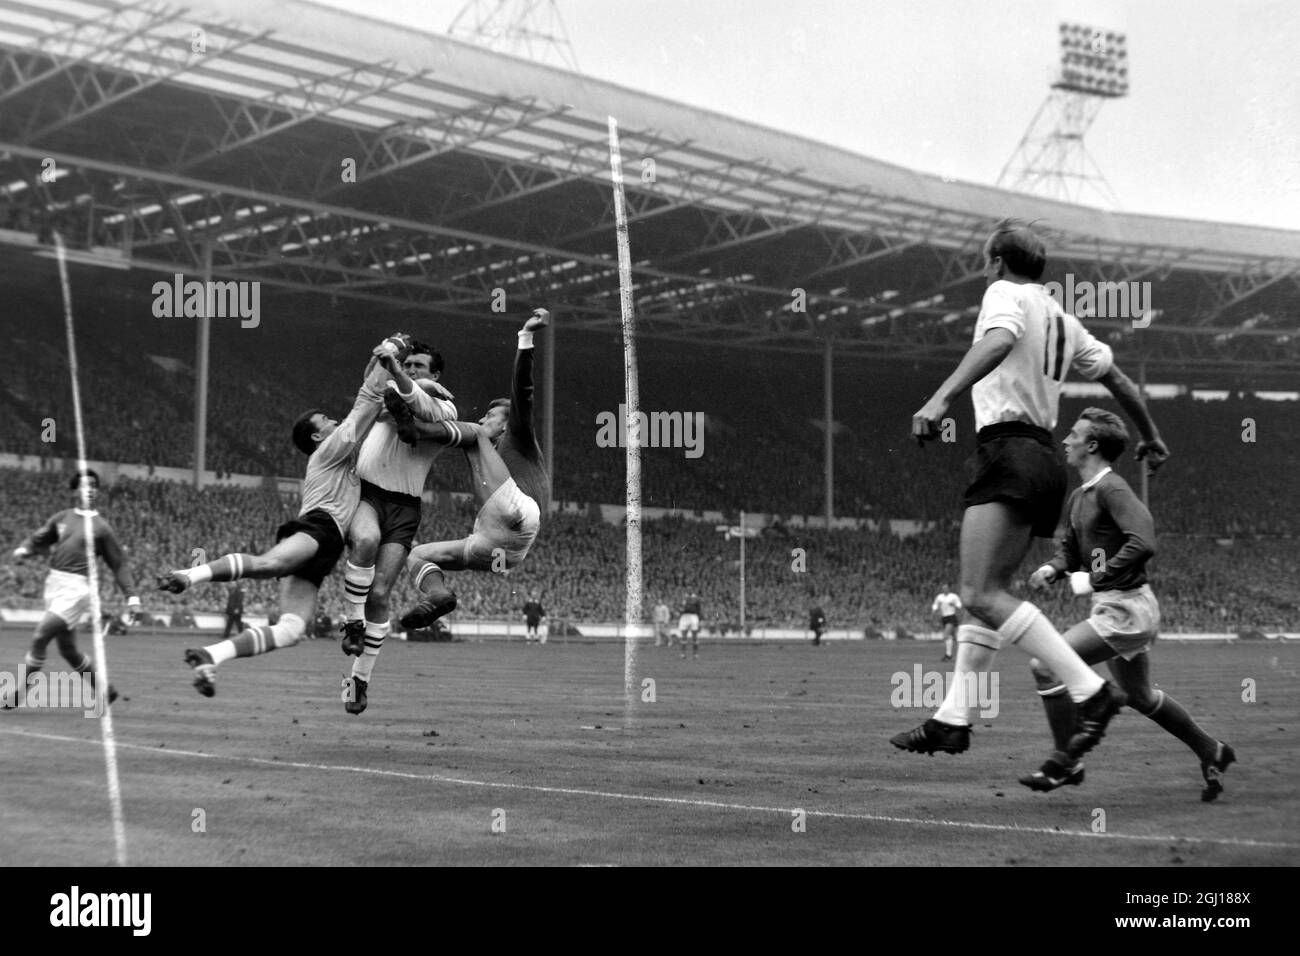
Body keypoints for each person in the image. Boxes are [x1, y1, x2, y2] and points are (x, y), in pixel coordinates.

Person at [891, 219, 1170, 758]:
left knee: (980, 594)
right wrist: (1152, 437)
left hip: (1009, 449)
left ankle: (1089, 692)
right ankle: (954, 718)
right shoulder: (1065, 321)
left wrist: (941, 397)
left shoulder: (1003, 294)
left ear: (997, 262)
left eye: (986, 259)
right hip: (1045, 457)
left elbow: (998, 340)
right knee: (984, 597)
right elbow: (1121, 382)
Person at [157, 339, 396, 698]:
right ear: (318, 436)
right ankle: (188, 575)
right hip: (320, 526)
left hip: (327, 545)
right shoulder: (329, 450)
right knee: (269, 564)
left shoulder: (339, 456)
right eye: (328, 420)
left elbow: (369, 397)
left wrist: (379, 363)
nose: (335, 421)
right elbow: (366, 402)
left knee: (289, 630)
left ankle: (211, 656)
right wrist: (391, 350)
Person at [1020, 408, 1235, 800]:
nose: (1066, 441)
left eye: (1073, 434)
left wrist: (1097, 577)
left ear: (1092, 445)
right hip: (1114, 604)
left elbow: (1144, 541)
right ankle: (1213, 750)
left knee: (1047, 665)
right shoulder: (1079, 496)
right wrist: (1053, 568)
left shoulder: (1112, 488)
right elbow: (1070, 550)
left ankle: (1066, 762)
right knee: (1140, 696)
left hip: (1127, 608)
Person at [397, 310, 551, 630]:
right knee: (417, 556)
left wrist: (526, 336)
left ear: (506, 421)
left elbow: (523, 391)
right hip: (502, 547)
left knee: (473, 436)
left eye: (490, 416)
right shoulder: (490, 459)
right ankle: (438, 596)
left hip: (517, 509)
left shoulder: (518, 435)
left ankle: (414, 429)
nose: (484, 420)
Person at [337, 335, 457, 715]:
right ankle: (352, 624)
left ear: (435, 374)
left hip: (405, 508)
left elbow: (422, 405)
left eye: (419, 366)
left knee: (380, 594)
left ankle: (358, 681)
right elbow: (373, 387)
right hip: (368, 493)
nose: (410, 369)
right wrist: (388, 364)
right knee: (366, 540)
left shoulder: (444, 407)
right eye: (408, 364)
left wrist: (409, 381)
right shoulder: (389, 395)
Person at [6, 470, 137, 708]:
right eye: (85, 485)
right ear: (76, 489)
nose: (90, 489)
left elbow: (118, 563)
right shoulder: (62, 517)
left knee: (40, 637)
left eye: (94, 485)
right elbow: (39, 539)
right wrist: (24, 549)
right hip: (54, 584)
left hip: (77, 589)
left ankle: (18, 694)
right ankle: (104, 690)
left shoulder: (102, 528)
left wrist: (132, 596)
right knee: (68, 649)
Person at [931, 586, 962, 661]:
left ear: (949, 589)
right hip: (944, 618)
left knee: (946, 635)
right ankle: (961, 655)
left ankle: (948, 655)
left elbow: (959, 605)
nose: (944, 589)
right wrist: (934, 609)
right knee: (954, 637)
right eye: (943, 588)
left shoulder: (953, 596)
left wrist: (954, 605)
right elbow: (935, 604)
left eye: (946, 588)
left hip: (951, 617)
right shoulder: (939, 597)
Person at [679, 591, 701, 659]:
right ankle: (683, 654)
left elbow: (699, 610)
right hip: (684, 617)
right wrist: (681, 608)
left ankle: (695, 654)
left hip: (693, 617)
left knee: (694, 637)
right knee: (683, 636)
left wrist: (699, 620)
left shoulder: (696, 599)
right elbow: (680, 608)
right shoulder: (683, 599)